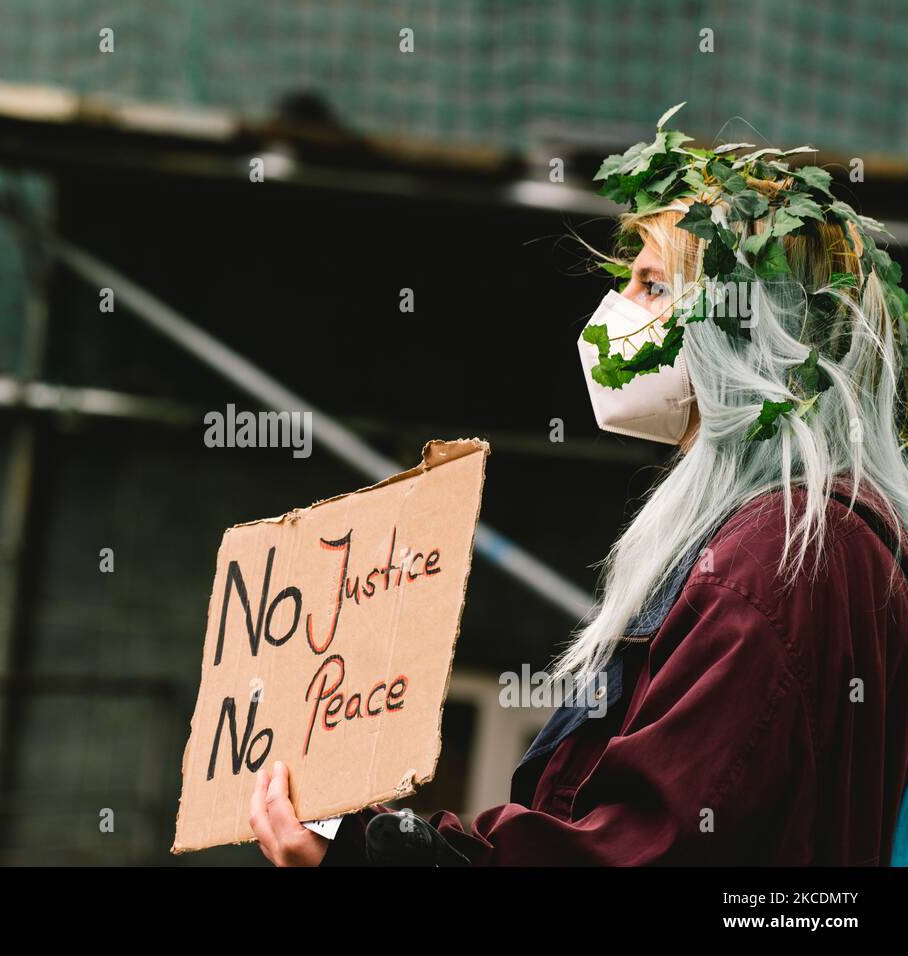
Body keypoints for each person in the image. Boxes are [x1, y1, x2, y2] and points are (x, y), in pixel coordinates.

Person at [251, 107, 908, 866]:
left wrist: (377, 853)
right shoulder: (835, 543)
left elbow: (637, 849)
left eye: (654, 284)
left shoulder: (773, 562)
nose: (620, 311)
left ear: (748, 327)